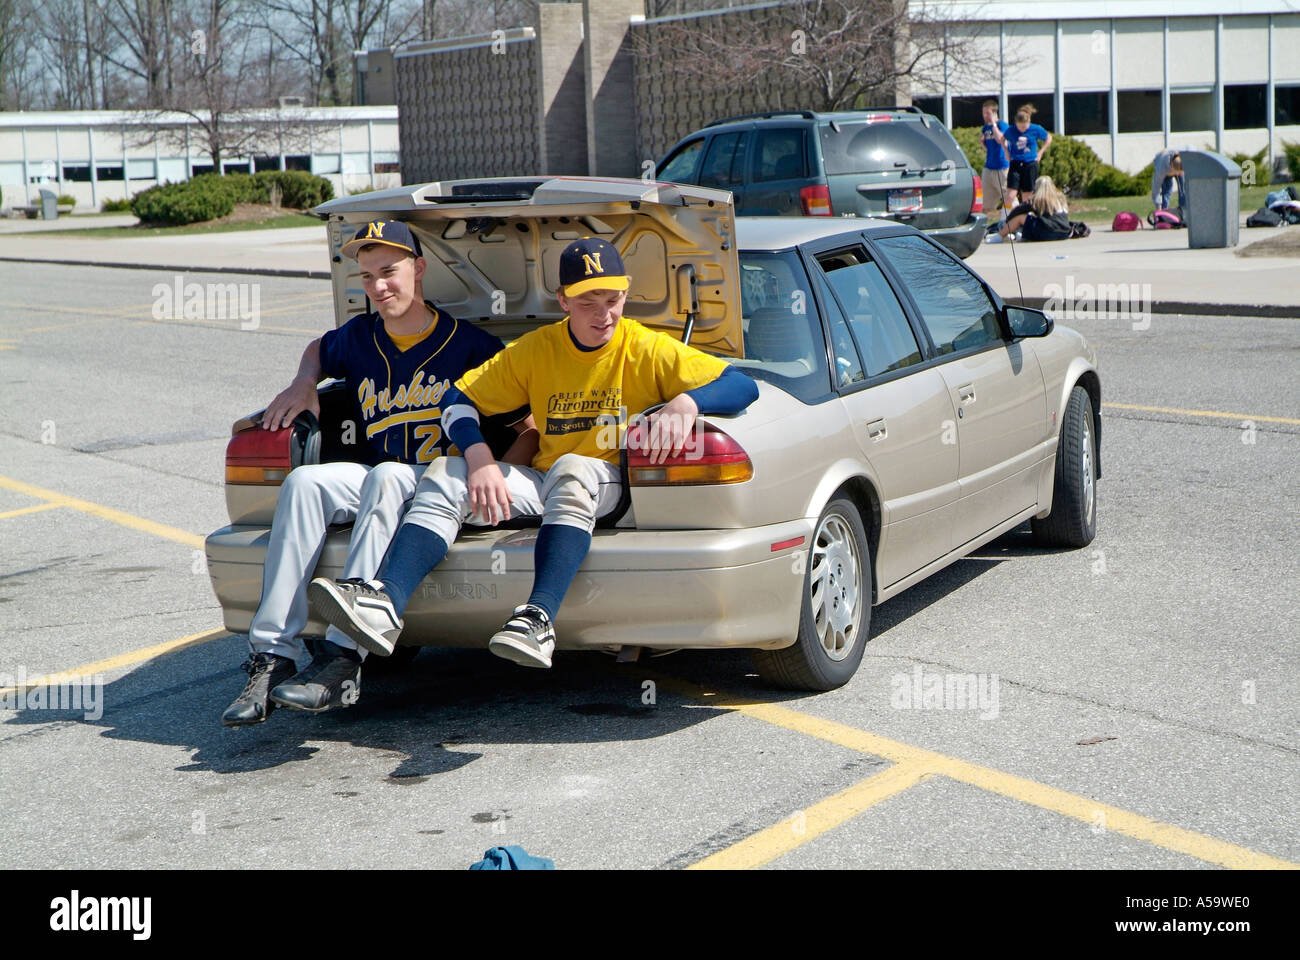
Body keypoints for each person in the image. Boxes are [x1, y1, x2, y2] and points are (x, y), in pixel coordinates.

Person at [306, 237, 759, 679]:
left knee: (571, 468)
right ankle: (386, 600)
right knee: (448, 470)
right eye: (588, 302)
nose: (604, 314)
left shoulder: (647, 346)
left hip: (606, 483)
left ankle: (538, 620)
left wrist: (687, 403)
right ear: (563, 300)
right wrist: (481, 458)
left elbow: (742, 385)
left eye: (613, 298)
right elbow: (457, 399)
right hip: (544, 482)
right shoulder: (537, 347)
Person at [221, 219, 536, 726]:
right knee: (303, 482)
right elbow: (319, 351)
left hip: (438, 484)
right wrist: (305, 382)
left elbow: (530, 426)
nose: (378, 286)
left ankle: (345, 657)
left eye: (388, 271)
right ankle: (273, 655)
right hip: (379, 479)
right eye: (367, 277)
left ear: (419, 268)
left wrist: (498, 476)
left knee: (388, 472)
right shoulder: (359, 338)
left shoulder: (471, 346)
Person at [996, 175, 1071, 242]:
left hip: (1049, 232)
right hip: (1064, 232)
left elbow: (1018, 210)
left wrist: (1008, 220)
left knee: (1020, 218)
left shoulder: (1038, 199)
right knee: (1036, 219)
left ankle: (999, 235)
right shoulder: (1060, 197)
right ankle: (1023, 234)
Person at [1006, 104, 1052, 206]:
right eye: (1020, 127)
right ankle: (1005, 218)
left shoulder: (1036, 129)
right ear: (1016, 123)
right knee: (1010, 195)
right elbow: (1002, 139)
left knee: (1027, 195)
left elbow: (1048, 138)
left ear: (1029, 122)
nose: (1022, 130)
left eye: (1024, 127)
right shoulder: (1011, 130)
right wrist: (1007, 152)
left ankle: (1027, 217)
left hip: (1030, 163)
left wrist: (1040, 153)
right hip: (1015, 163)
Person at [979, 99, 1011, 225]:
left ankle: (1011, 223)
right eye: (983, 113)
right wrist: (982, 142)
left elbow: (1001, 140)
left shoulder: (1002, 125)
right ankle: (982, 227)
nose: (984, 116)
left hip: (1002, 167)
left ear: (994, 113)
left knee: (1008, 198)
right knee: (985, 203)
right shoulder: (985, 128)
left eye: (987, 113)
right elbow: (987, 145)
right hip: (989, 167)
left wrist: (994, 124)